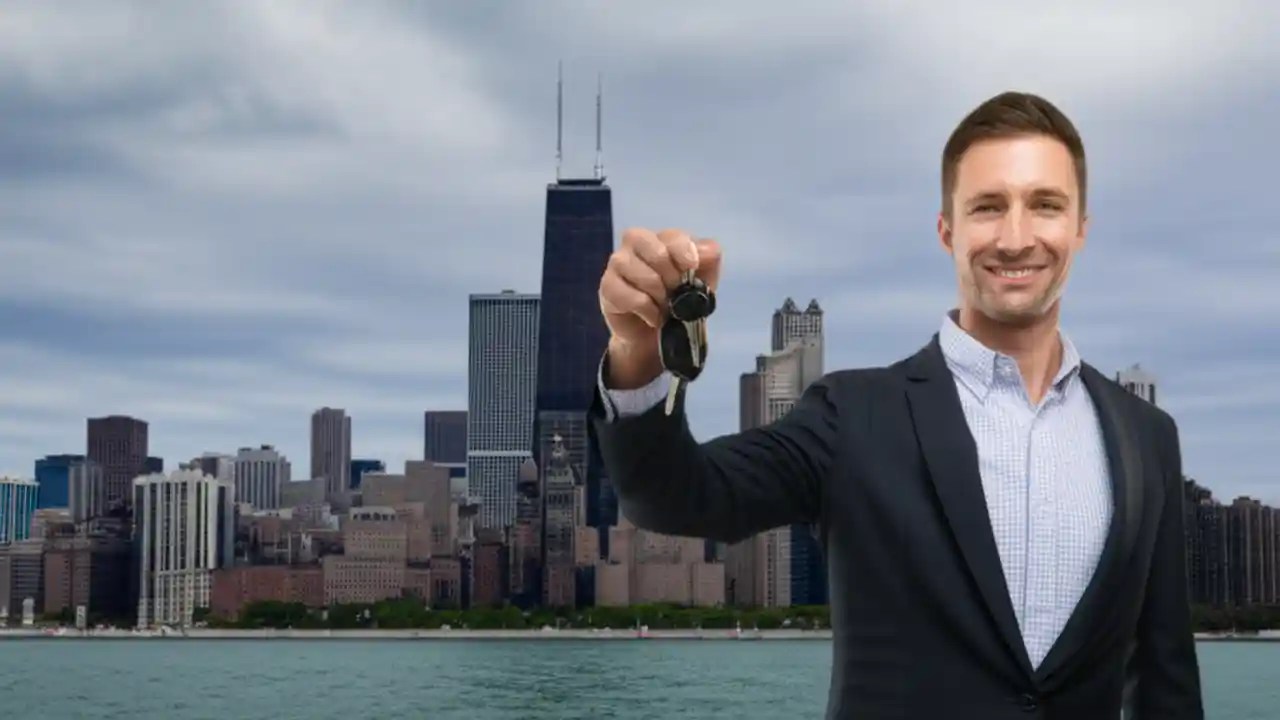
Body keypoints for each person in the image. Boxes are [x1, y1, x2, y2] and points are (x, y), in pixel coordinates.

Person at [589, 91, 1204, 718]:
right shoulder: (852, 415)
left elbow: (1164, 682)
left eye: (1045, 205)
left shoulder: (1146, 436)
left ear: (1079, 229)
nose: (1016, 238)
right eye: (988, 207)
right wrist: (637, 351)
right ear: (947, 231)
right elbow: (670, 494)